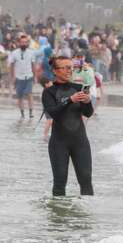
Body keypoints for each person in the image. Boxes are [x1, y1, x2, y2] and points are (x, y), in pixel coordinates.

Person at [42, 55, 94, 197]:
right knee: (59, 183)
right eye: (65, 68)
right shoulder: (49, 92)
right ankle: (59, 216)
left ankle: (85, 216)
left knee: (86, 180)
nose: (69, 70)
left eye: (70, 67)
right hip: (59, 143)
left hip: (80, 142)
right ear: (55, 71)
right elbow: (53, 113)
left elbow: (88, 113)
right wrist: (70, 100)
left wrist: (87, 101)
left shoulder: (79, 88)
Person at [10, 33, 37, 119]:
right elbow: (11, 65)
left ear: (27, 43)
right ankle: (22, 114)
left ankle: (31, 112)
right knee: (20, 97)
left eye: (25, 42)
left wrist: (35, 76)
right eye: (22, 42)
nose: (24, 44)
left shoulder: (31, 53)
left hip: (28, 76)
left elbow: (33, 65)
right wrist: (13, 77)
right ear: (19, 43)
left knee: (29, 94)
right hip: (18, 78)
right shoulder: (14, 53)